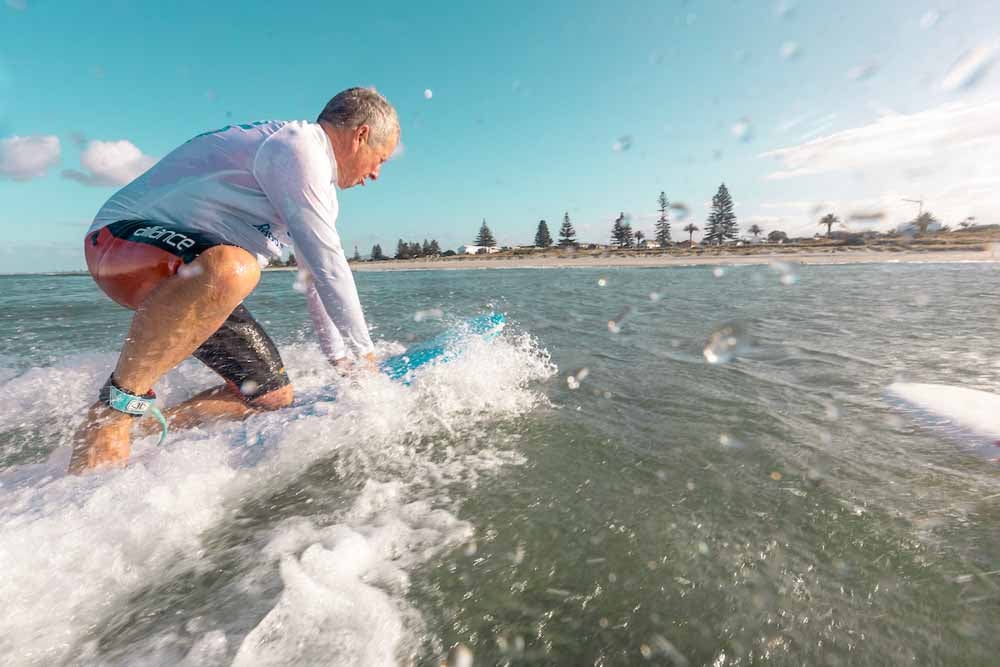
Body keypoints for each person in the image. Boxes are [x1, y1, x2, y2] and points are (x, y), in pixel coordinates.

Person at [69, 87, 399, 473]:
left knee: (270, 397)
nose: (376, 174)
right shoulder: (300, 147)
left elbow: (315, 279)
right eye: (381, 159)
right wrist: (368, 359)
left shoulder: (319, 188)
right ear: (360, 135)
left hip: (199, 277)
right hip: (120, 241)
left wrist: (343, 360)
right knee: (234, 268)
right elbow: (330, 265)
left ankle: (139, 434)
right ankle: (114, 412)